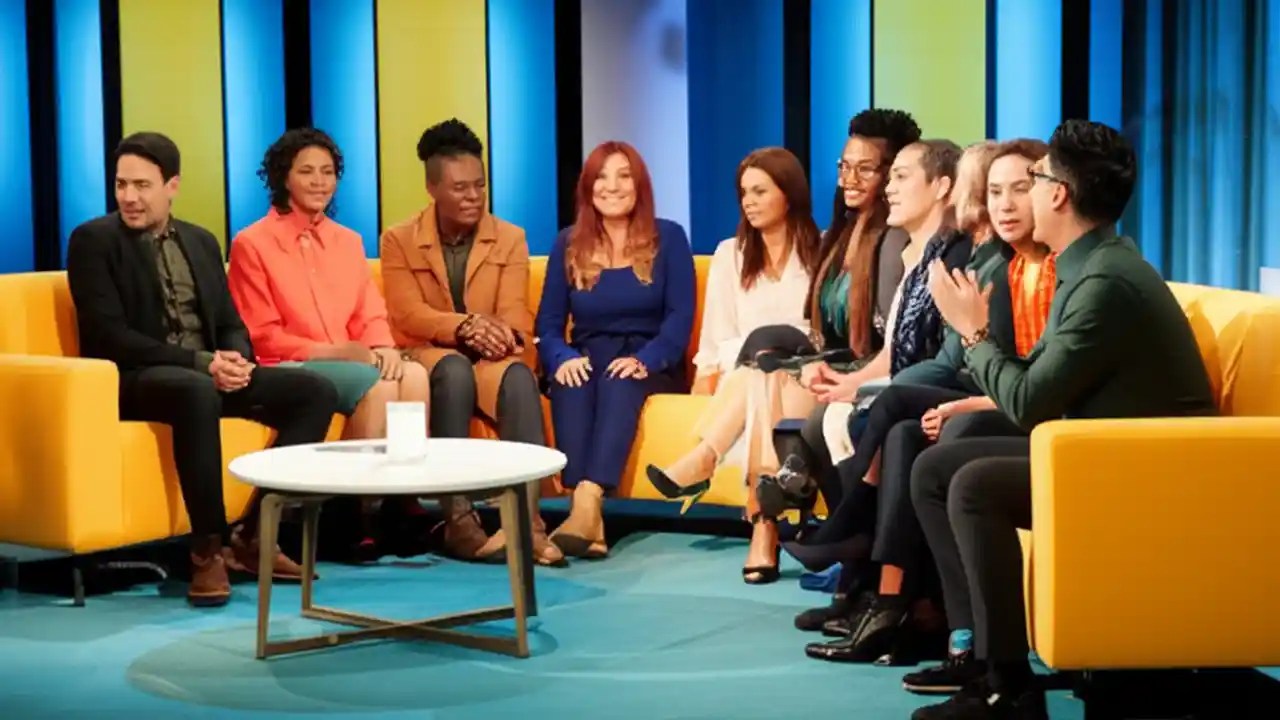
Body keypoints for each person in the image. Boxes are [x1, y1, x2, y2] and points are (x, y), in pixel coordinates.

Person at [909, 120, 1217, 720]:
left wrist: (973, 331)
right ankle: (979, 659)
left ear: (1057, 195)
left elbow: (1028, 402)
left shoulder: (1102, 280)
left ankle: (1008, 687)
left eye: (1035, 179)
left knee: (974, 486)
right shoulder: (1087, 265)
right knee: (937, 468)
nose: (1019, 197)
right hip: (1096, 447)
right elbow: (1037, 390)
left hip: (1149, 466)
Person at [796, 140, 1058, 665]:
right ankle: (896, 602)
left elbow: (1025, 382)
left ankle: (896, 591)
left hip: (1043, 421)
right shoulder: (992, 264)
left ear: (1056, 196)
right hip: (1003, 400)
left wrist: (958, 401)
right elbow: (975, 362)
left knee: (916, 425)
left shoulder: (1014, 267)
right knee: (897, 426)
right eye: (992, 190)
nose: (998, 202)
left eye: (1018, 190)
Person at [65, 132, 341, 607]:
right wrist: (202, 362)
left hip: (207, 373)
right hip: (134, 377)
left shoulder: (200, 240)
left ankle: (256, 535)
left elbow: (229, 321)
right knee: (195, 391)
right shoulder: (93, 241)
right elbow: (109, 336)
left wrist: (235, 360)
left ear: (171, 186)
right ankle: (206, 549)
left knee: (313, 392)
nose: (129, 197)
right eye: (121, 184)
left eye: (142, 185)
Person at [227, 128, 431, 562]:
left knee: (412, 375)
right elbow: (262, 335)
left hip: (349, 361)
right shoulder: (253, 243)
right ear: (284, 178)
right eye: (307, 172)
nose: (319, 181)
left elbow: (368, 313)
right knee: (374, 385)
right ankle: (348, 514)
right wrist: (340, 352)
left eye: (328, 172)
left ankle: (399, 504)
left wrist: (384, 347)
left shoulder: (348, 241)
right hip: (286, 366)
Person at [380, 118, 561, 566]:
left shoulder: (510, 237)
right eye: (460, 188)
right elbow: (407, 314)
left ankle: (528, 523)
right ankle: (458, 519)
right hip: (429, 353)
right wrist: (462, 326)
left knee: (519, 377)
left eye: (480, 186)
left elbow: (517, 310)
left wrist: (503, 335)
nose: (474, 196)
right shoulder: (399, 240)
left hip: (492, 354)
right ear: (433, 188)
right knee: (452, 371)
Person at [643, 147, 822, 583]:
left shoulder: (823, 250)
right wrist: (708, 375)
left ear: (789, 193)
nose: (749, 201)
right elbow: (717, 337)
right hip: (746, 375)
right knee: (760, 371)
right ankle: (764, 524)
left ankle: (705, 457)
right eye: (744, 193)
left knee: (768, 368)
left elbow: (824, 335)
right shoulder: (731, 254)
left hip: (807, 377)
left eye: (760, 191)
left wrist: (782, 355)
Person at [536, 141, 696, 559]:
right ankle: (592, 525)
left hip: (650, 357)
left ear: (639, 183)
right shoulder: (568, 243)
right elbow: (549, 325)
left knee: (620, 381)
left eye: (624, 175)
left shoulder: (670, 237)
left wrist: (646, 359)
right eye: (602, 177)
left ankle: (586, 499)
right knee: (571, 380)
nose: (612, 186)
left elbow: (680, 319)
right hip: (588, 353)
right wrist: (561, 357)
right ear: (588, 187)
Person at [781, 108, 923, 510]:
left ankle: (784, 519)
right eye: (845, 166)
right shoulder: (840, 235)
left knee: (808, 414)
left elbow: (893, 340)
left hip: (873, 369)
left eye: (865, 169)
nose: (849, 179)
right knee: (763, 376)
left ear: (891, 175)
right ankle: (772, 516)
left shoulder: (894, 241)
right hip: (842, 364)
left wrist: (849, 379)